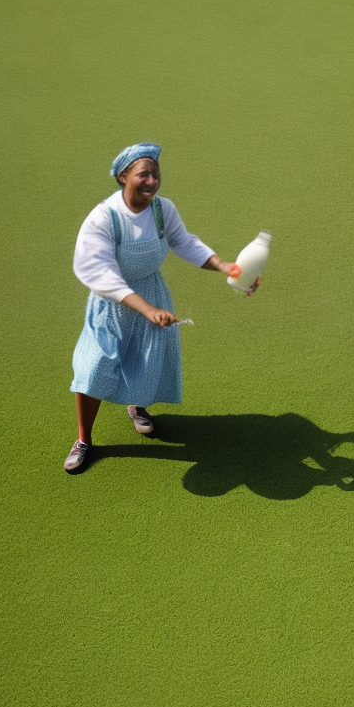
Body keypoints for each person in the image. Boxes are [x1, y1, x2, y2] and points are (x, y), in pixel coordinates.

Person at [65, 143, 258, 473]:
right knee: (92, 367)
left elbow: (184, 242)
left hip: (152, 291)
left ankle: (136, 407)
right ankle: (84, 439)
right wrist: (147, 309)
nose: (151, 180)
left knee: (145, 360)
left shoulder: (161, 209)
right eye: (143, 174)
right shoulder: (104, 218)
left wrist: (224, 266)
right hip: (112, 303)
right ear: (123, 176)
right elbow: (100, 272)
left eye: (155, 174)